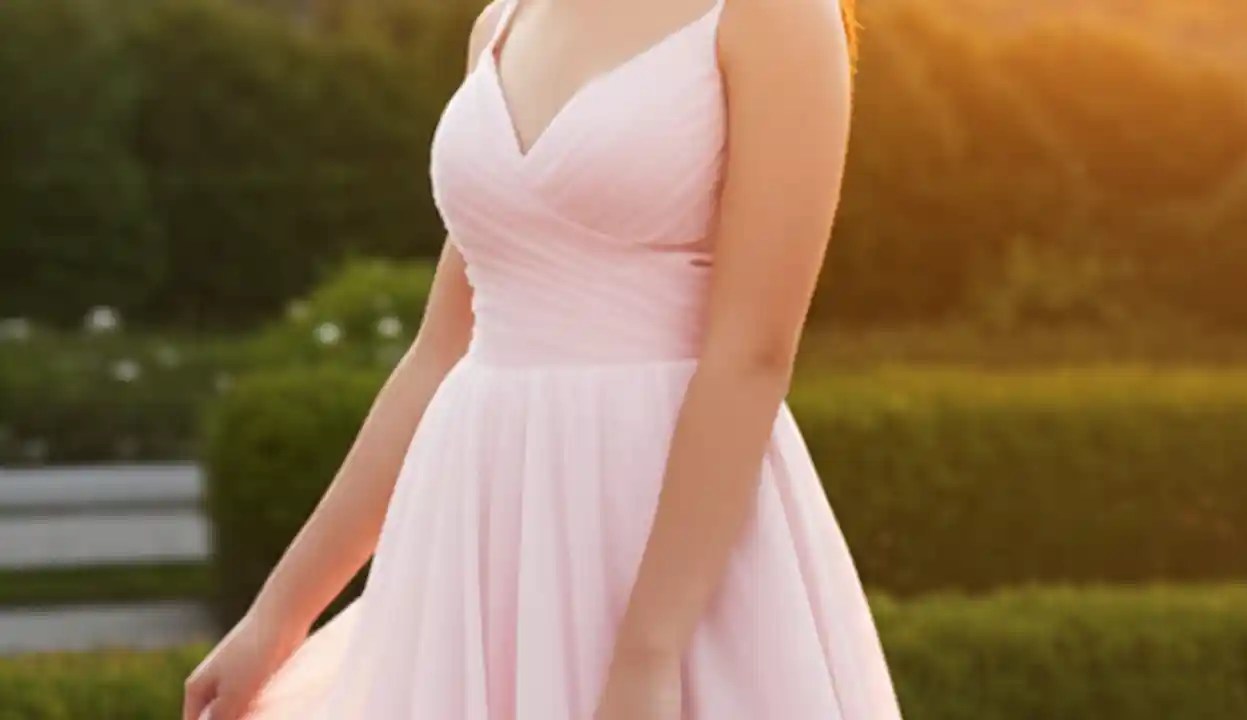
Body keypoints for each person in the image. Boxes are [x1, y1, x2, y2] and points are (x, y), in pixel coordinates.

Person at [184, 0, 901, 717]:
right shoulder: (506, 20)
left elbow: (753, 354)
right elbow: (440, 352)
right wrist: (277, 616)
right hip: (476, 528)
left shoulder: (774, 16)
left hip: (660, 528)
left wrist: (650, 652)